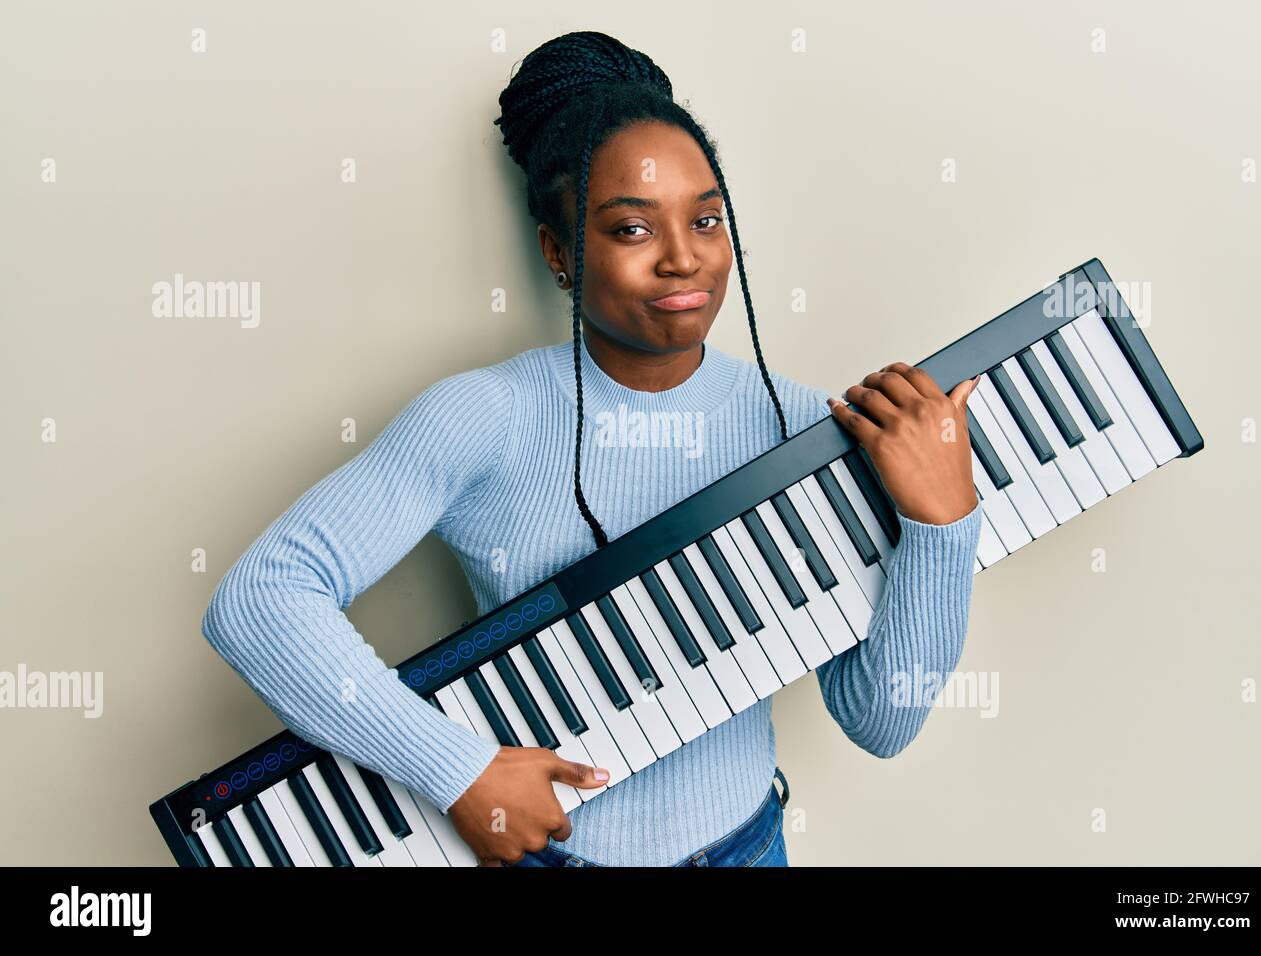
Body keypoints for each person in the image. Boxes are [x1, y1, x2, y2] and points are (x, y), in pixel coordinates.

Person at [201, 30, 984, 868]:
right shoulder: (483, 415)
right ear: (558, 253)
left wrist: (943, 526)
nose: (683, 257)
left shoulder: (801, 424)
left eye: (706, 219)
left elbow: (881, 722)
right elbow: (259, 601)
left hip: (747, 848)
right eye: (632, 228)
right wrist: (458, 771)